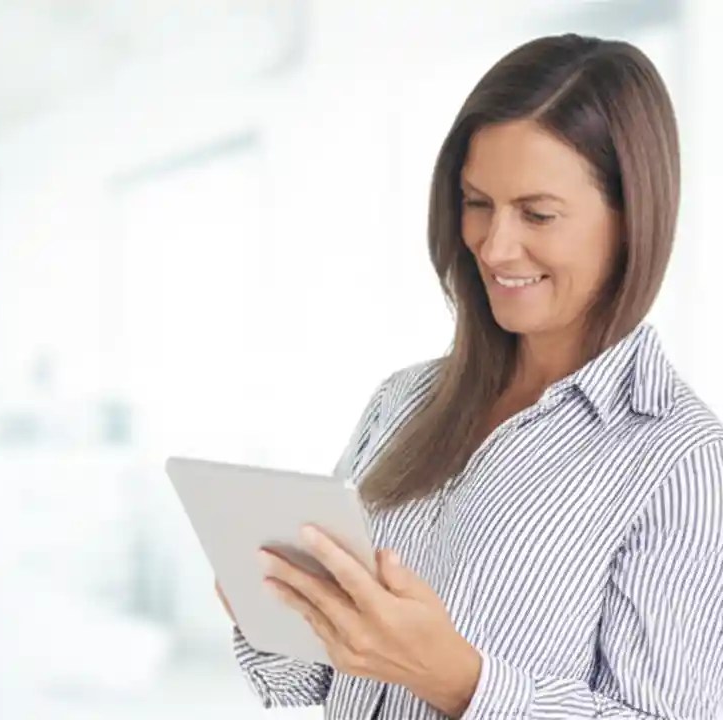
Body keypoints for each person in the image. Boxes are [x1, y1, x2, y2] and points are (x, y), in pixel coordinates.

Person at [219, 33, 723, 719]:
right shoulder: (402, 401)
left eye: (537, 214)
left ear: (632, 221)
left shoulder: (681, 462)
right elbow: (304, 684)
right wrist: (273, 606)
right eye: (477, 202)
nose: (493, 245)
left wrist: (462, 681)